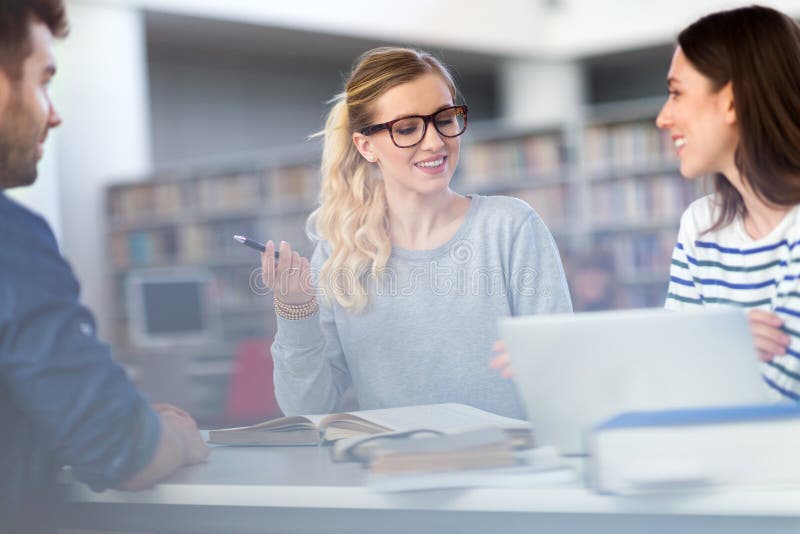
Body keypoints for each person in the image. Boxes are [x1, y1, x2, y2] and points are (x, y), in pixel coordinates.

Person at [261, 47, 572, 420]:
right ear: (366, 146)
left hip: (509, 454)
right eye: (407, 128)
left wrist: (546, 359)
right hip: (394, 456)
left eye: (445, 119)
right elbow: (307, 408)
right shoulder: (339, 254)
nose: (435, 142)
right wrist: (295, 311)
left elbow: (562, 370)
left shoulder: (510, 227)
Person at [0, 1, 208, 527]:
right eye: (43, 81)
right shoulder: (11, 240)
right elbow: (124, 451)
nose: (53, 113)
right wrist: (177, 436)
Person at [657, 5, 800, 400]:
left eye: (676, 93)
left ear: (732, 101)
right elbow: (666, 374)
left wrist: (709, 346)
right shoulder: (701, 225)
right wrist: (723, 345)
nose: (663, 118)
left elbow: (780, 396)